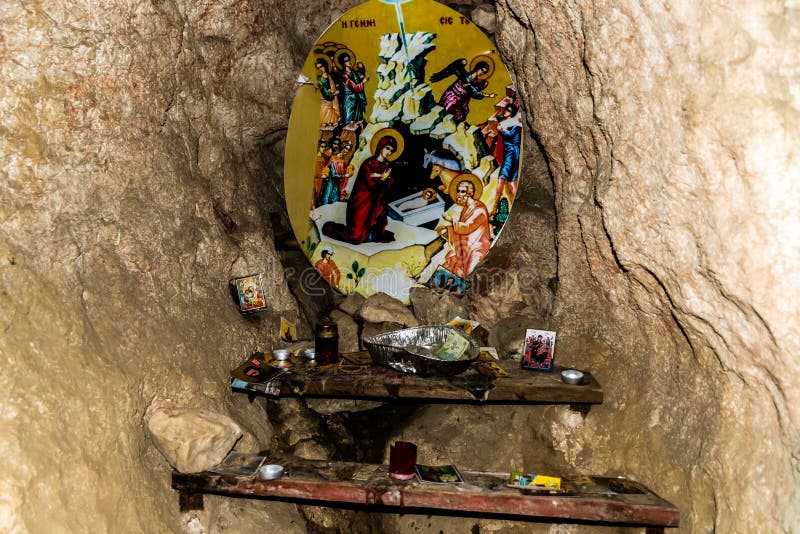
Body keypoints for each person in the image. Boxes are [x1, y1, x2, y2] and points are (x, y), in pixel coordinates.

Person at [322, 136, 397, 244]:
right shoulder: (368, 164)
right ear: (381, 147)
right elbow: (370, 184)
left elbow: (389, 184)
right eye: (387, 148)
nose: (389, 152)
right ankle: (331, 229)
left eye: (391, 150)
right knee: (356, 236)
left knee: (376, 233)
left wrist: (387, 179)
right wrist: (382, 178)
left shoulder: (387, 165)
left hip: (377, 203)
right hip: (362, 203)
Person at [439, 177, 491, 278]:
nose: (459, 194)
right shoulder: (465, 209)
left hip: (477, 249)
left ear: (469, 193)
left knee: (470, 274)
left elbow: (467, 228)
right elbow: (461, 230)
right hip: (466, 247)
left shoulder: (479, 209)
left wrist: (451, 220)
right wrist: (448, 230)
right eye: (458, 191)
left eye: (462, 191)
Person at [431, 59, 496, 123]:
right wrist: (488, 95)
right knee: (445, 111)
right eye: (481, 70)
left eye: (484, 72)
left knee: (461, 114)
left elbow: (473, 92)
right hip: (452, 96)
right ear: (477, 67)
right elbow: (472, 90)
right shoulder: (465, 75)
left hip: (460, 100)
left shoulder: (475, 82)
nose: (482, 73)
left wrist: (483, 86)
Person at [492, 103, 522, 213]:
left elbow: (509, 135)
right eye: (506, 109)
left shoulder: (516, 124)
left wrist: (501, 129)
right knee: (512, 180)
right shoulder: (507, 120)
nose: (506, 111)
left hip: (512, 152)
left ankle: (495, 208)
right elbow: (500, 117)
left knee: (503, 177)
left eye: (509, 110)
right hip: (510, 151)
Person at [338, 53, 368, 128]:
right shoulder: (344, 76)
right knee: (350, 123)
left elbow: (356, 81)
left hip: (356, 100)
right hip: (349, 101)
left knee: (358, 123)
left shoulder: (353, 72)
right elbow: (355, 88)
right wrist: (363, 82)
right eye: (346, 61)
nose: (349, 62)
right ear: (343, 63)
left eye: (349, 60)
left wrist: (361, 78)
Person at [315, 58, 340, 128]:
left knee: (333, 124)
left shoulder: (330, 76)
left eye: (321, 66)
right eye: (318, 68)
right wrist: (334, 93)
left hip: (333, 102)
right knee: (324, 124)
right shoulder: (319, 80)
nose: (320, 69)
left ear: (325, 65)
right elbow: (325, 94)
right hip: (325, 102)